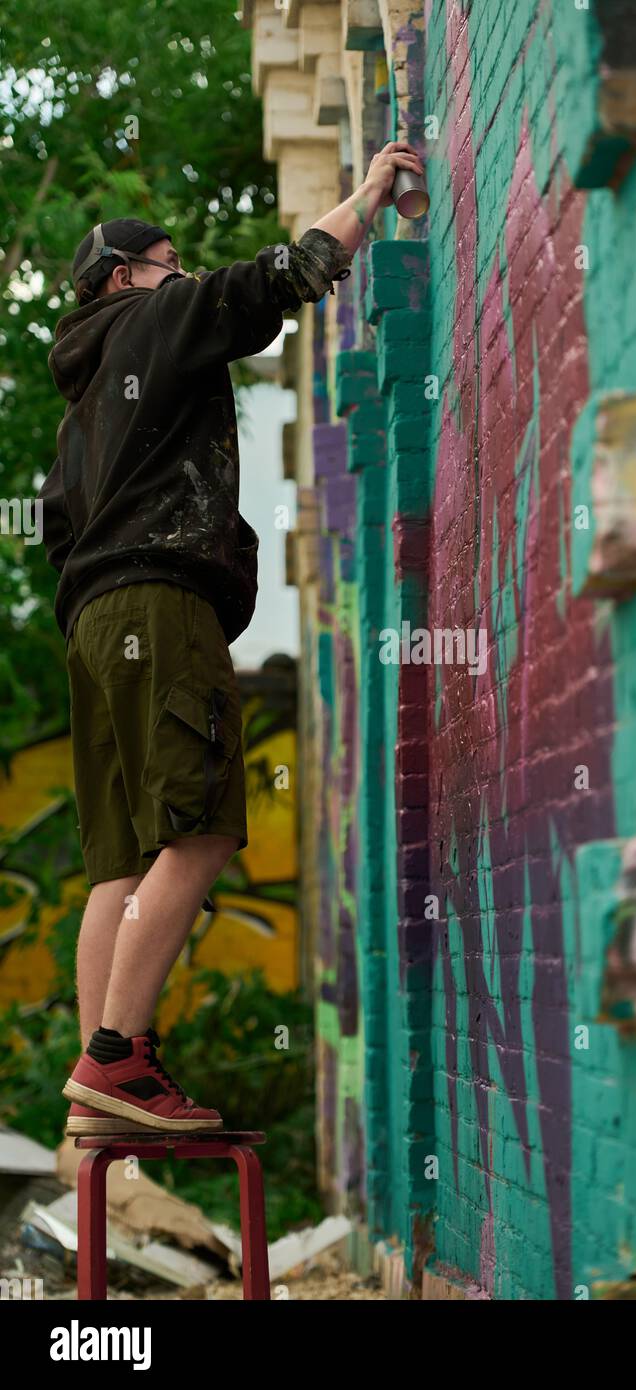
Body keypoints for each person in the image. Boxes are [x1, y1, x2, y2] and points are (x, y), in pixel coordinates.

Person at [36, 140, 424, 1135]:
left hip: (92, 622)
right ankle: (121, 1059)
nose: (182, 273)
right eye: (169, 259)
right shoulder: (153, 317)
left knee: (120, 862)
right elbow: (278, 280)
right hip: (162, 602)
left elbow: (56, 535)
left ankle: (97, 1095)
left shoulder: (80, 411)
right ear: (124, 276)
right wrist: (369, 193)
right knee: (203, 827)